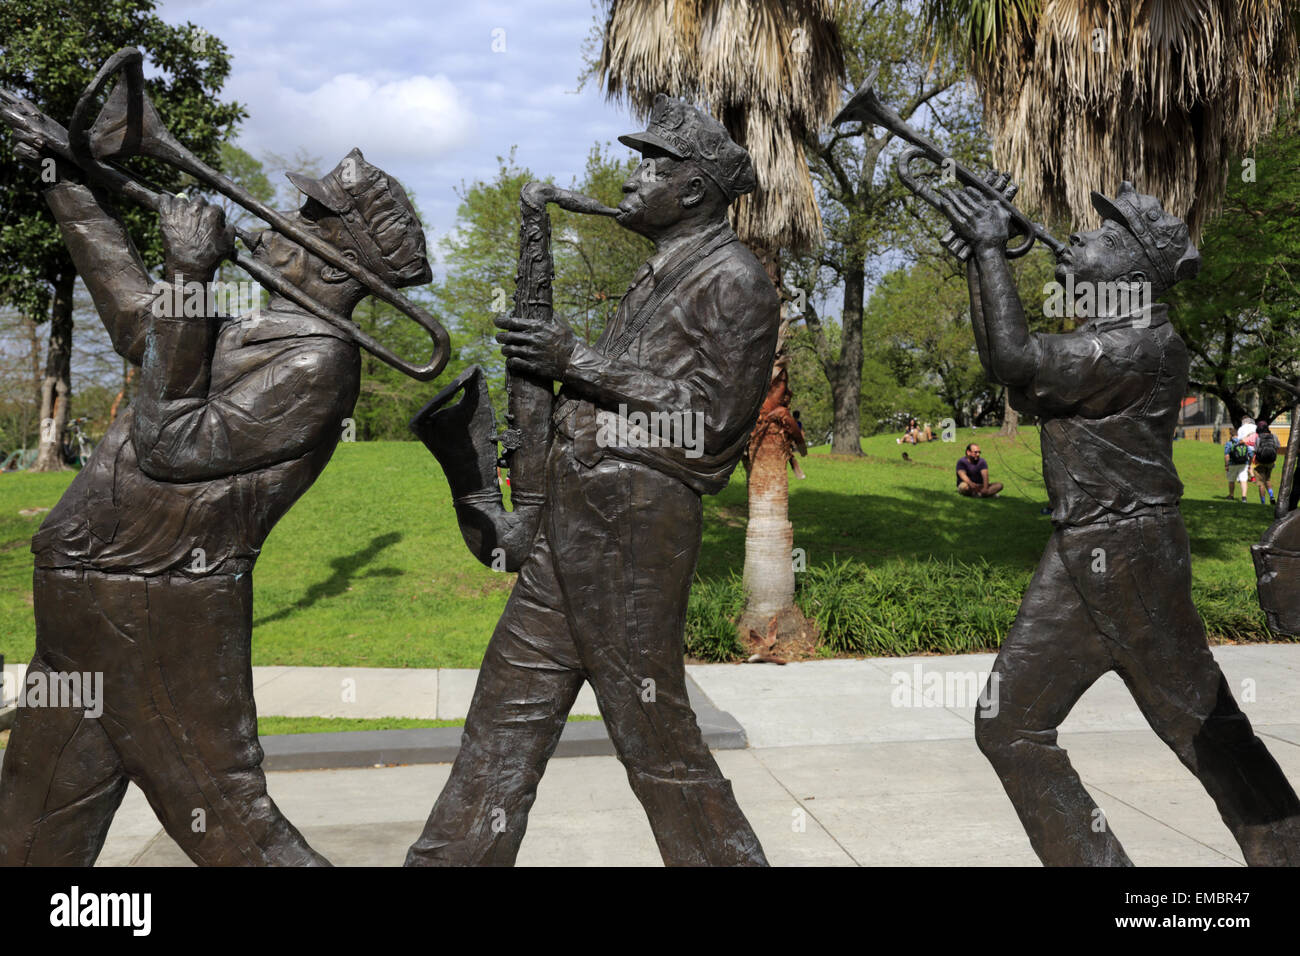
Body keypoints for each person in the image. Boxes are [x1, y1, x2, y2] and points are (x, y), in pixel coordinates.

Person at [0, 128, 433, 865]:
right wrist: (66, 182)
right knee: (34, 821)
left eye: (308, 216)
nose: (276, 221)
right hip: (91, 596)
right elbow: (143, 327)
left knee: (227, 818)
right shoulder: (255, 326)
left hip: (159, 604)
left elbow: (172, 442)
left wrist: (187, 267)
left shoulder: (318, 363)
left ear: (346, 260)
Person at [405, 95, 777, 867]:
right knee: (500, 729)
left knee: (657, 742)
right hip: (577, 524)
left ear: (697, 191)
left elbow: (711, 424)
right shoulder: (657, 277)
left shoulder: (735, 280)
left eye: (654, 165)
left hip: (634, 529)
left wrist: (573, 360)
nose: (633, 178)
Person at [939, 177, 1300, 865]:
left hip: (1124, 551)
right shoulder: (1113, 336)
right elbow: (1013, 375)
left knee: (1198, 728)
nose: (1076, 236)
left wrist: (990, 251)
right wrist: (978, 263)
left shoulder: (1138, 345)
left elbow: (1016, 358)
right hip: (1097, 544)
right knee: (1019, 724)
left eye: (1101, 234)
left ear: (1133, 269)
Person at [1225, 421, 1256, 502]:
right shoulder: (1243, 442)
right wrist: (1249, 464)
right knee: (1243, 480)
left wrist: (1226, 465)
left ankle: (1231, 495)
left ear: (1230, 435)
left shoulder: (1229, 443)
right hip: (1243, 464)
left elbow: (1226, 455)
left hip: (1232, 464)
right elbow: (1251, 454)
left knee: (1231, 480)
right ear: (1237, 434)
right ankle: (1244, 497)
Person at [1254, 418, 1280, 506]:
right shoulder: (1274, 436)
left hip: (1260, 462)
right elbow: (1277, 446)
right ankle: (1272, 496)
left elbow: (1256, 450)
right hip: (1271, 462)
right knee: (1268, 480)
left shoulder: (1258, 438)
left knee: (1261, 483)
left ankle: (1263, 502)